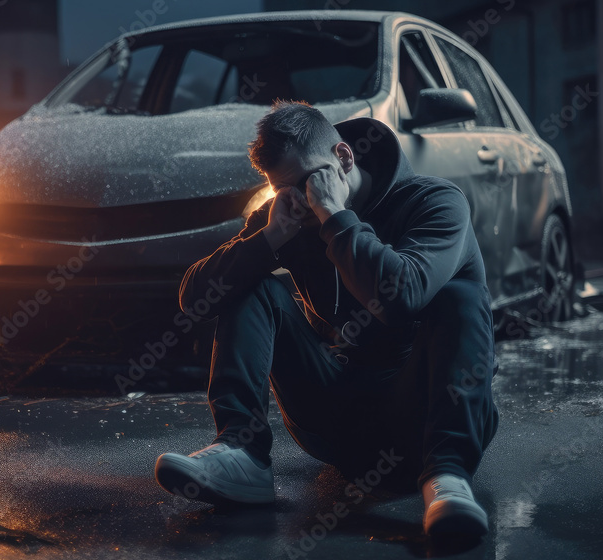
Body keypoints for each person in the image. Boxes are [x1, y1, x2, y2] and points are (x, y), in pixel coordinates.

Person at [154, 100, 500, 537]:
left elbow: (400, 297)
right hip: (340, 426)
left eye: (307, 180)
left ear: (343, 157)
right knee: (253, 282)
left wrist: (337, 217)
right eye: (284, 189)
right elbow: (195, 299)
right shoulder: (289, 215)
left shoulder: (435, 202)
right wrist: (270, 239)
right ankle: (242, 456)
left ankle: (449, 480)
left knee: (460, 295)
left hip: (423, 421)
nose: (300, 200)